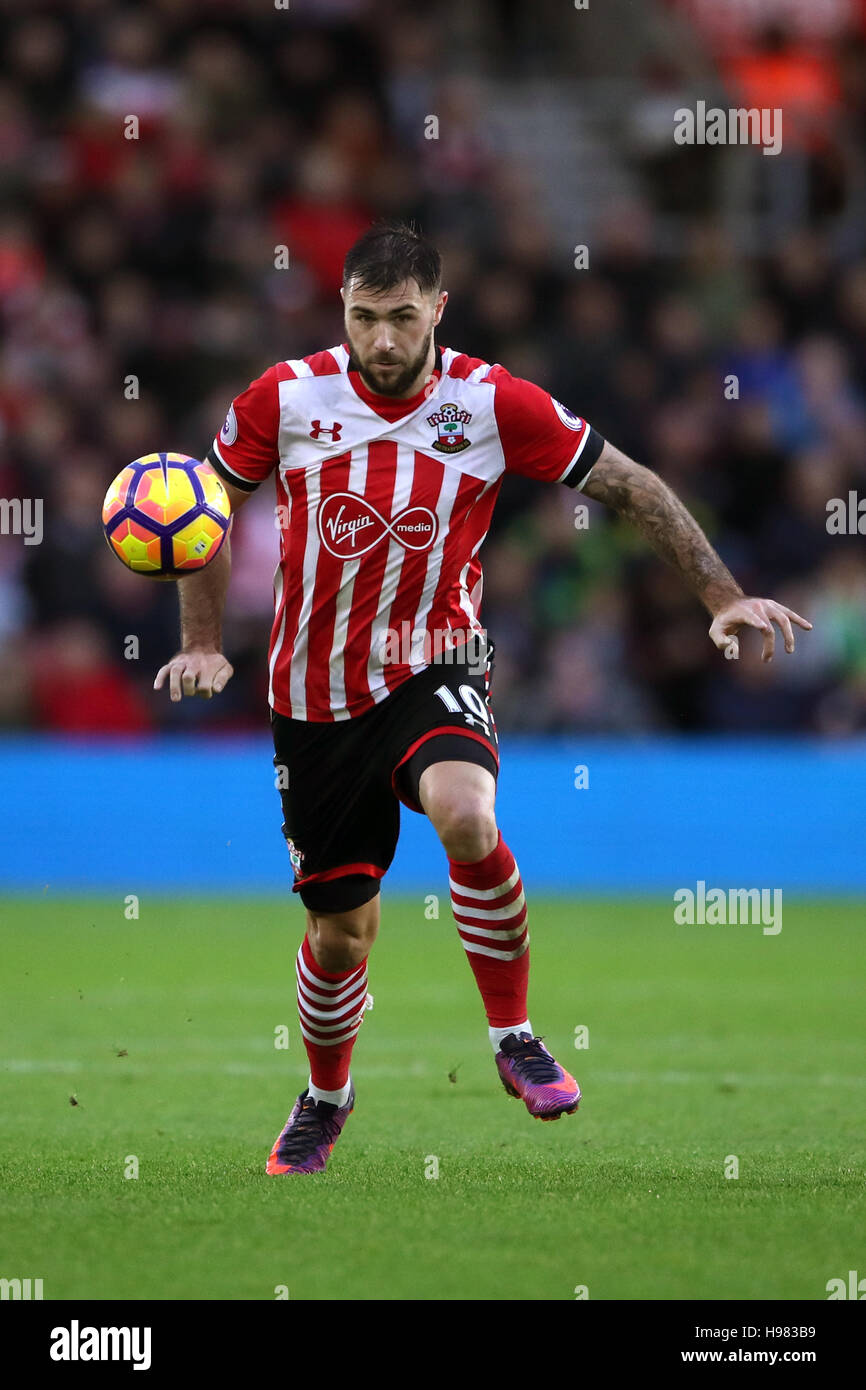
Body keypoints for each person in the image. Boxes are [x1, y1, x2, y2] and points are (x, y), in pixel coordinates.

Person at [154, 221, 811, 1176]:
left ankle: (514, 1036)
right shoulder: (284, 397)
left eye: (402, 318)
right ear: (342, 309)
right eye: (364, 317)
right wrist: (203, 644)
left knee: (465, 813)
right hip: (312, 692)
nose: (382, 340)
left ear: (438, 311)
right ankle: (326, 1098)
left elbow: (630, 485)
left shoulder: (491, 403)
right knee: (342, 934)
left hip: (436, 661)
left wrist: (722, 594)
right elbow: (198, 516)